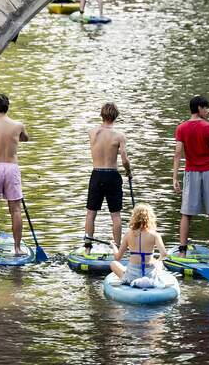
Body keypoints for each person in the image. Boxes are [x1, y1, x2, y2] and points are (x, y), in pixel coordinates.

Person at [173, 95, 209, 259]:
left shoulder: (181, 128)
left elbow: (177, 154)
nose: (208, 111)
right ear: (199, 108)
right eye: (206, 108)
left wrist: (175, 177)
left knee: (186, 213)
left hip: (191, 173)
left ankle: (182, 252)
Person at [0, 93, 30, 256]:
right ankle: (17, 248)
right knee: (15, 210)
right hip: (11, 167)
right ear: (7, 107)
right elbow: (26, 138)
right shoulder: (18, 125)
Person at [85, 102, 132, 253]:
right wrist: (128, 171)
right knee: (116, 215)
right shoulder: (119, 136)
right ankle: (117, 248)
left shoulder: (92, 132)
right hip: (112, 174)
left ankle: (87, 248)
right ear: (116, 117)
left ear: (102, 115)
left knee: (91, 213)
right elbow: (124, 160)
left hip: (97, 174)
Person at [109, 203, 171, 288]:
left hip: (131, 276)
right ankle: (155, 279)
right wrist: (156, 261)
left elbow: (117, 258)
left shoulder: (128, 234)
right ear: (150, 217)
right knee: (160, 264)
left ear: (134, 217)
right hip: (149, 275)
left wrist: (113, 246)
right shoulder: (155, 235)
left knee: (113, 263)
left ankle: (127, 280)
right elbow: (164, 254)